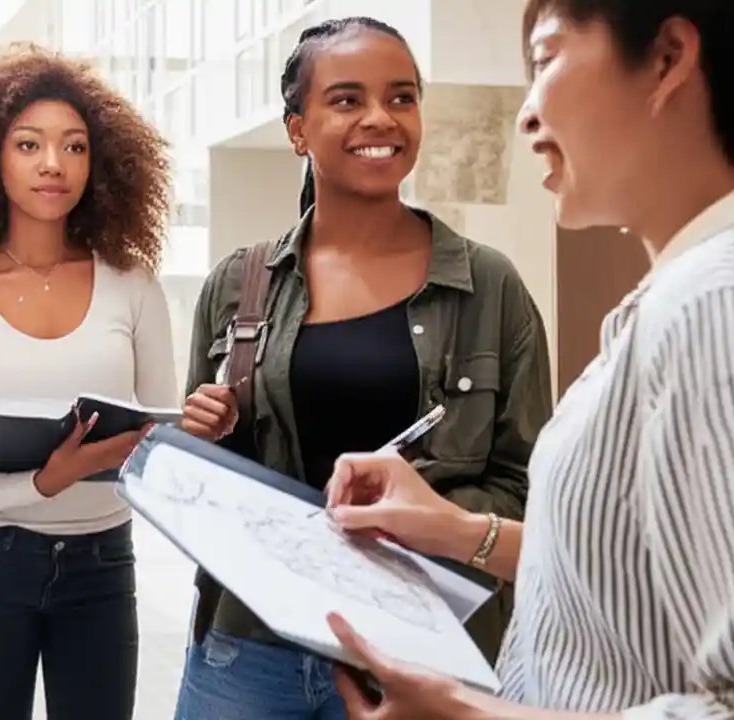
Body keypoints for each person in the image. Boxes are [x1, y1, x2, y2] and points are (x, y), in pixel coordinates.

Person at [322, 0, 734, 718]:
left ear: (667, 59)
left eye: (545, 60)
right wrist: (452, 528)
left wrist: (468, 713)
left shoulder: (717, 304)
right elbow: (618, 579)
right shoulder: (679, 297)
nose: (526, 116)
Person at [174, 16, 553, 720]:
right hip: (251, 650)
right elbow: (203, 490)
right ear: (298, 130)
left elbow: (529, 484)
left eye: (402, 97)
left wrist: (425, 520)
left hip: (428, 654)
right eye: (347, 99)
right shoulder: (237, 285)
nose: (380, 117)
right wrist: (202, 438)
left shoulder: (489, 287)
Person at [0, 45, 179, 720]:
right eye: (29, 144)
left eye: (74, 147)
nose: (54, 164)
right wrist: (48, 480)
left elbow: (163, 442)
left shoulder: (134, 288)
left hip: (102, 566)